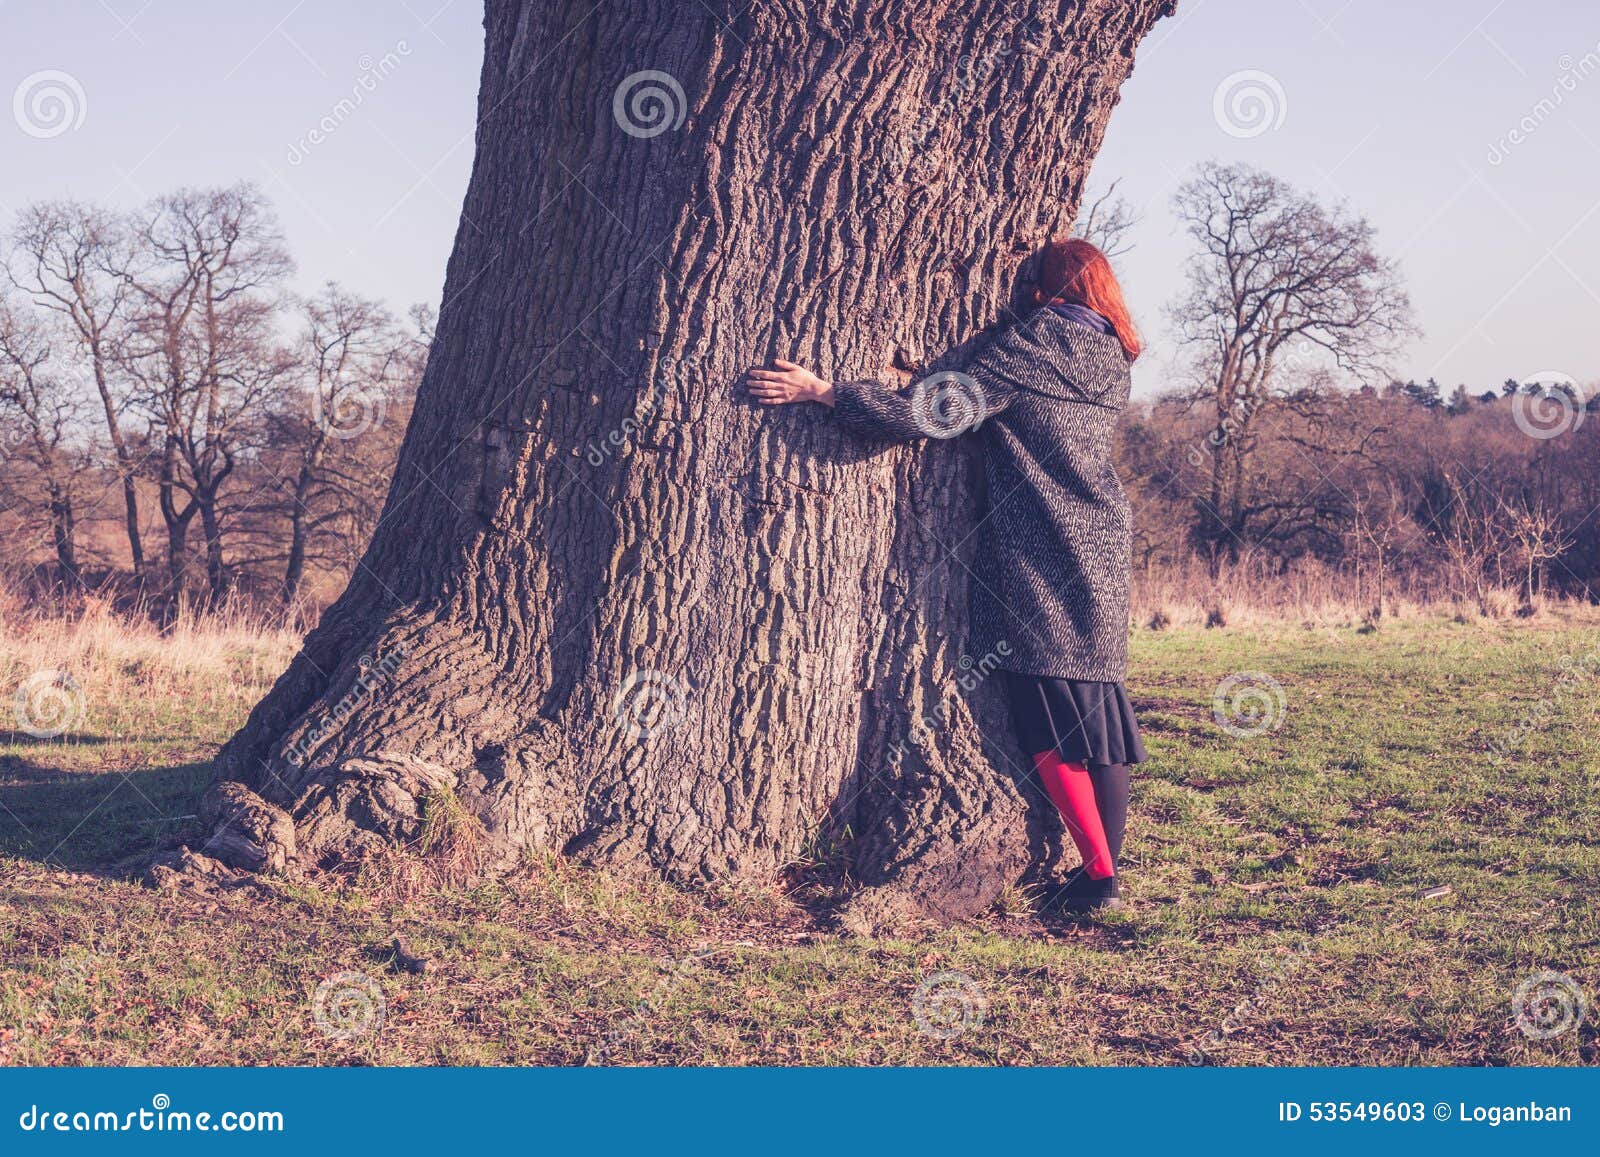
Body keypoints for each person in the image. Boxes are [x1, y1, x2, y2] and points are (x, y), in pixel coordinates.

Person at [745, 237, 1147, 912]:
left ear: (1043, 293)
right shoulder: (1115, 356)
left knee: (1046, 713)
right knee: (1099, 710)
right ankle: (1106, 865)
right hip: (1103, 542)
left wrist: (825, 392)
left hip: (1043, 551)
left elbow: (927, 413)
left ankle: (1100, 875)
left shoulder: (1030, 350)